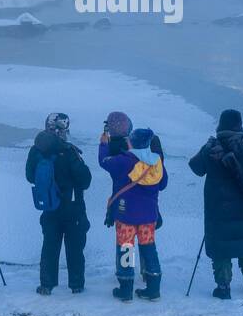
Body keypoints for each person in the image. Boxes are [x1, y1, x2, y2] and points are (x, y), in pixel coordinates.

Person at [188, 109, 243, 299]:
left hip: (218, 209)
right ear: (239, 125)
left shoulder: (211, 148)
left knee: (221, 249)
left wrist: (206, 148)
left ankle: (223, 288)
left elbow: (195, 168)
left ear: (220, 125)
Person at [99, 114, 167, 303]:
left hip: (126, 215)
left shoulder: (123, 161)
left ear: (132, 143)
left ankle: (126, 289)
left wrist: (104, 144)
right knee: (149, 249)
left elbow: (103, 162)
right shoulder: (157, 162)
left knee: (126, 249)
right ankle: (153, 289)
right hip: (148, 216)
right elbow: (163, 184)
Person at [25, 112, 92, 295]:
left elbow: (30, 176)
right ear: (64, 131)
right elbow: (85, 181)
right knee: (75, 248)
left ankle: (47, 284)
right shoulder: (70, 151)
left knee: (49, 246)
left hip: (49, 206)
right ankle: (76, 285)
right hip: (73, 207)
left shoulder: (36, 150)